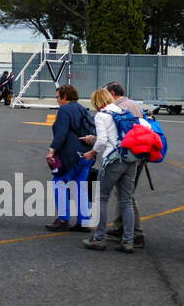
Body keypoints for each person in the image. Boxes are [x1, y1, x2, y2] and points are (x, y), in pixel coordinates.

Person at [81, 88, 137, 253]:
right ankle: (128, 240)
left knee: (102, 198)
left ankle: (99, 238)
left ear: (97, 102)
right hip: (130, 158)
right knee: (126, 201)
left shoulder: (101, 115)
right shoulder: (123, 112)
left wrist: (92, 152)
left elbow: (103, 140)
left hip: (113, 160)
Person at [45, 84, 94, 231]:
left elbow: (61, 133)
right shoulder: (83, 109)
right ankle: (83, 220)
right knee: (80, 187)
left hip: (69, 154)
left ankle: (63, 218)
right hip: (86, 154)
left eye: (58, 97)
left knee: (59, 182)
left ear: (65, 97)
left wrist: (52, 151)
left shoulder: (65, 110)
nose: (57, 100)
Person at [104, 82, 146, 246]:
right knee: (124, 193)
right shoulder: (134, 105)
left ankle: (136, 233)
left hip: (127, 155)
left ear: (112, 93)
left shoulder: (119, 108)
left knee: (127, 195)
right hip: (139, 154)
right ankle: (119, 226)